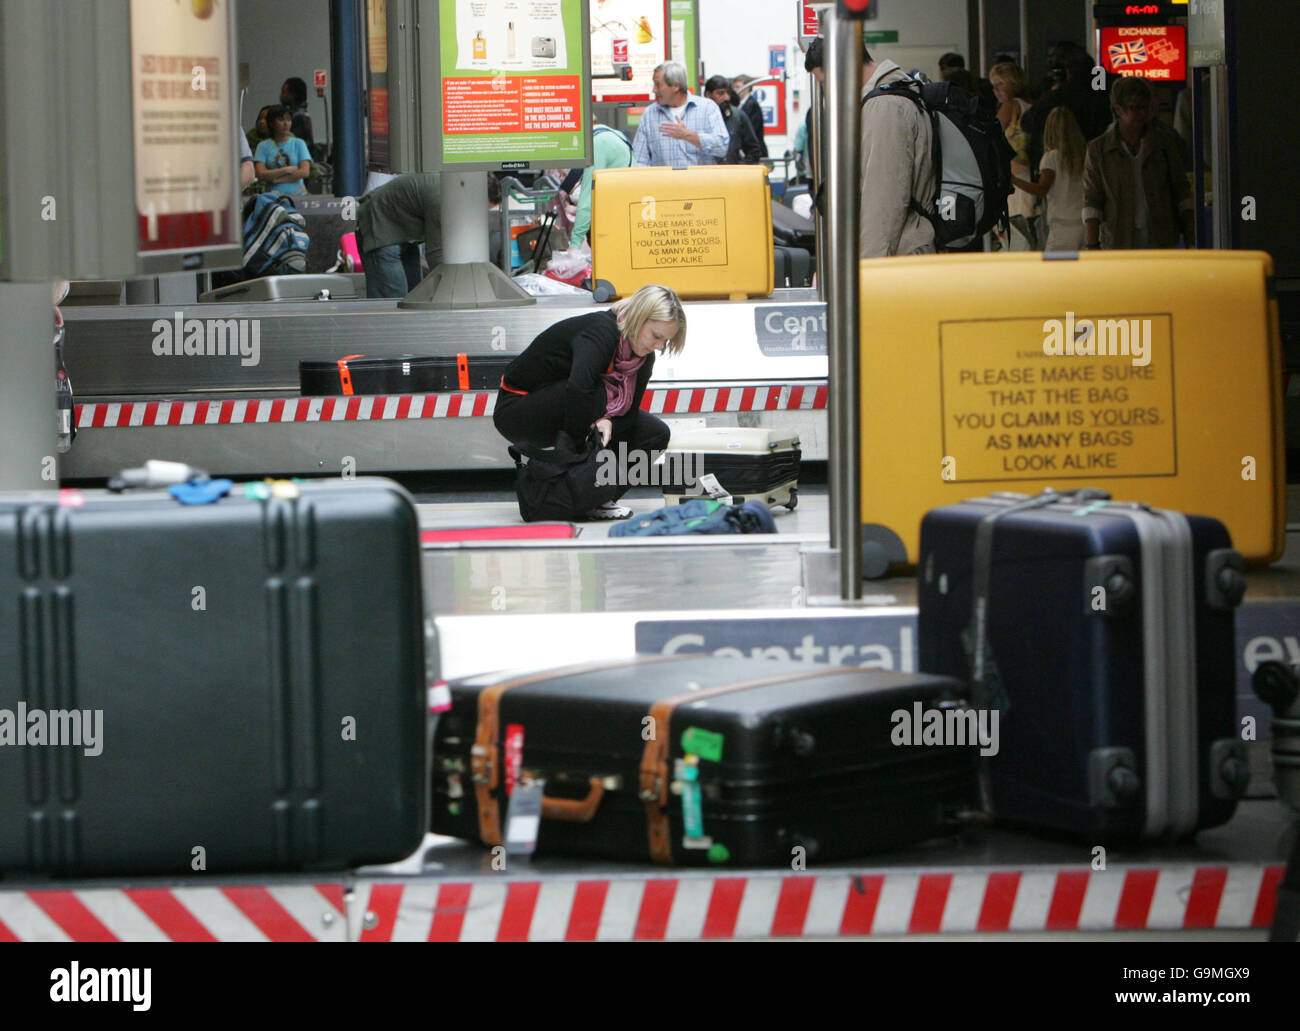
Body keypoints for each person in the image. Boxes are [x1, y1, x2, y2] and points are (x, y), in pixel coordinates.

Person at [493, 284, 686, 520]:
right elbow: (579, 389)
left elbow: (629, 413)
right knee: (596, 396)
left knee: (655, 433)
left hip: (575, 404)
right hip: (517, 409)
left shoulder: (644, 358)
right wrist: (596, 427)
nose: (658, 346)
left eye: (665, 341)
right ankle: (561, 493)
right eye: (656, 336)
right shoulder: (601, 331)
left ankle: (598, 498)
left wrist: (609, 423)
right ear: (638, 317)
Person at [1082, 76, 1193, 251]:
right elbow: (1092, 199)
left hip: (1162, 237)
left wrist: (1190, 238)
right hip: (1118, 238)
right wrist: (1092, 245)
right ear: (1118, 110)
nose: (1142, 114)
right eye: (1134, 108)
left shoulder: (1164, 143)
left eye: (1145, 107)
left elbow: (1181, 191)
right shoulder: (1099, 150)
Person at [858, 46, 936, 258]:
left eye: (824, 81)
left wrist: (869, 267)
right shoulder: (896, 93)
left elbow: (884, 199)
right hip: (907, 247)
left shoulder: (885, 106)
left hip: (903, 252)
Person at [1010, 106, 1086, 251]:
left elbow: (1041, 189)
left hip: (1062, 225)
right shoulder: (1084, 154)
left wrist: (1014, 180)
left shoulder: (1051, 158)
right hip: (1084, 223)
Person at [355, 172, 442, 297]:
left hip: (405, 231)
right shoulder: (442, 198)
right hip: (379, 226)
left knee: (415, 296)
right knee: (394, 301)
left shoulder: (452, 188)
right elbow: (437, 256)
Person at [632, 62, 729, 168]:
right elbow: (639, 159)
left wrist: (689, 135)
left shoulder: (707, 108)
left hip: (700, 183)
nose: (654, 90)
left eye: (658, 85)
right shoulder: (650, 114)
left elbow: (722, 146)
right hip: (664, 184)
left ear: (676, 86)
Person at [989, 61, 1039, 250]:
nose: (995, 89)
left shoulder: (1010, 106)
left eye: (1000, 83)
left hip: (1014, 181)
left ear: (1014, 83)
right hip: (1031, 177)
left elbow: (991, 139)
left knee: (1015, 238)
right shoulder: (1033, 106)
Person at [567, 116, 634, 250]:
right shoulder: (615, 135)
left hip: (610, 225)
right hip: (626, 218)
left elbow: (588, 199)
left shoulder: (597, 144)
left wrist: (574, 244)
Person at [703, 75, 763, 164]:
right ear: (708, 95)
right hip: (705, 175)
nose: (726, 97)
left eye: (728, 93)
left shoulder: (738, 116)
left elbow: (754, 151)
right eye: (720, 93)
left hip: (732, 175)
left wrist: (739, 168)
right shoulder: (698, 117)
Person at [253, 105, 311, 196]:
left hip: (298, 194)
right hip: (273, 196)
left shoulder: (299, 143)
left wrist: (278, 179)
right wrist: (286, 170)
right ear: (272, 123)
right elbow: (260, 174)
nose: (286, 123)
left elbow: (304, 171)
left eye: (288, 120)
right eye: (281, 120)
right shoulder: (263, 146)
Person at [731, 75, 769, 160]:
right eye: (733, 87)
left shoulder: (751, 105)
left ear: (747, 88)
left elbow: (750, 129)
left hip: (755, 152)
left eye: (737, 87)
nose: (735, 90)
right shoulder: (740, 105)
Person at [280, 77, 316, 152]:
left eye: (283, 92)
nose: (281, 95)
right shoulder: (298, 114)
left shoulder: (299, 118)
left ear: (293, 95)